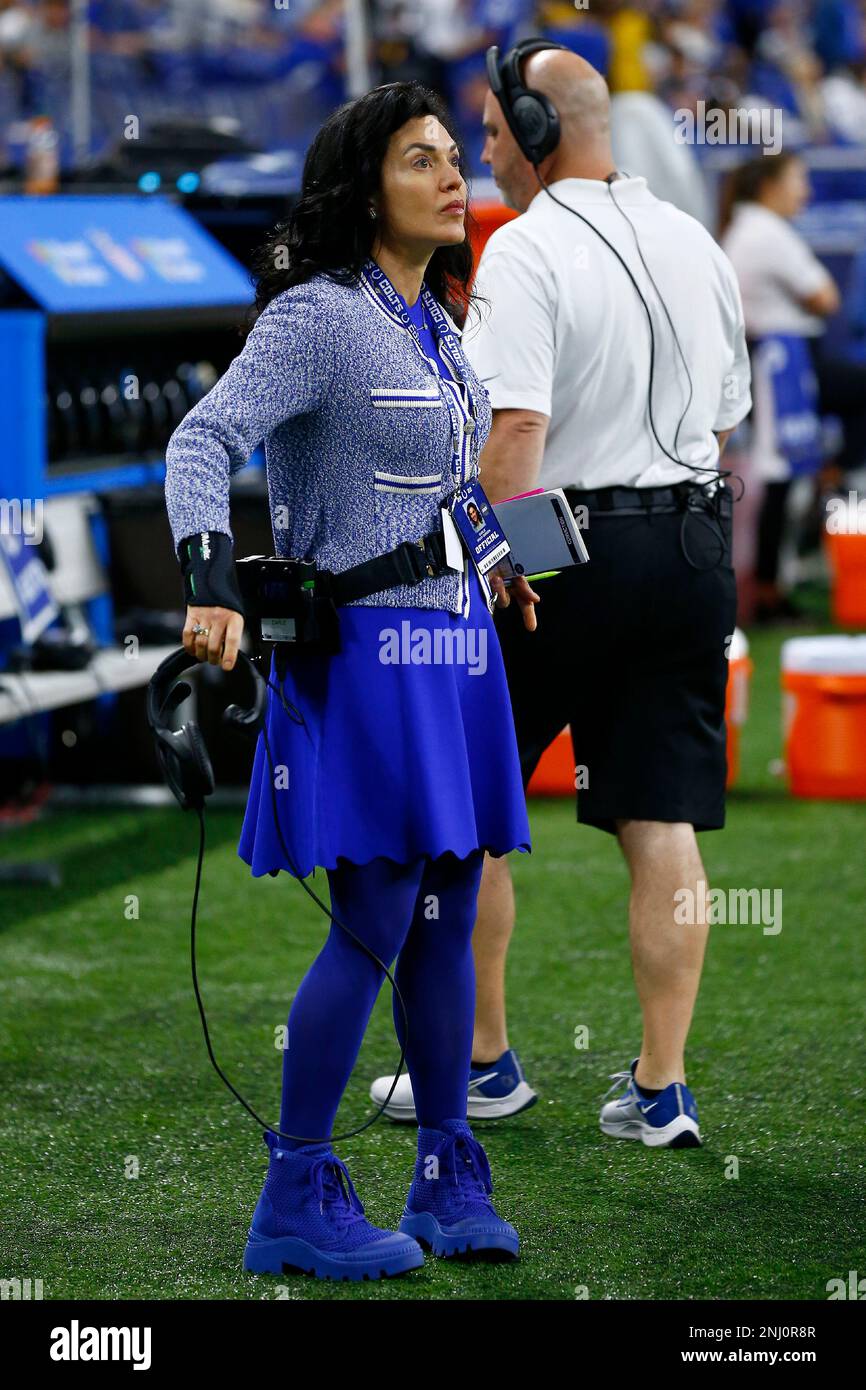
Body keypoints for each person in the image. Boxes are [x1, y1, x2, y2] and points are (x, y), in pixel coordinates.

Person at [162, 81, 536, 1282]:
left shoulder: (438, 323)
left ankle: (441, 1165)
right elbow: (199, 440)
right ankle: (296, 1187)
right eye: (418, 159)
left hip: (457, 652)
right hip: (366, 655)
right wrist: (211, 579)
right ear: (365, 185)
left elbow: (446, 485)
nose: (448, 175)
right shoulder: (316, 315)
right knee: (376, 917)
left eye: (450, 156)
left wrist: (500, 561)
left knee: (447, 905)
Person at [371, 41, 752, 1148]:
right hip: (689, 544)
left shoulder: (529, 247)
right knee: (662, 819)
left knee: (470, 816)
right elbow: (720, 416)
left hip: (561, 548)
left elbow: (516, 440)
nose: (476, 152)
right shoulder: (692, 237)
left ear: (537, 132)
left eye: (489, 131)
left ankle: (481, 1062)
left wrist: (497, 565)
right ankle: (660, 1085)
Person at [720, 150, 865, 622]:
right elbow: (825, 296)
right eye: (798, 179)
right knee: (778, 474)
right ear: (770, 185)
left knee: (779, 474)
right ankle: (836, 473)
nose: (805, 190)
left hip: (777, 359)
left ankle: (770, 586)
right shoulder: (766, 231)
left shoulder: (749, 228)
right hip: (781, 362)